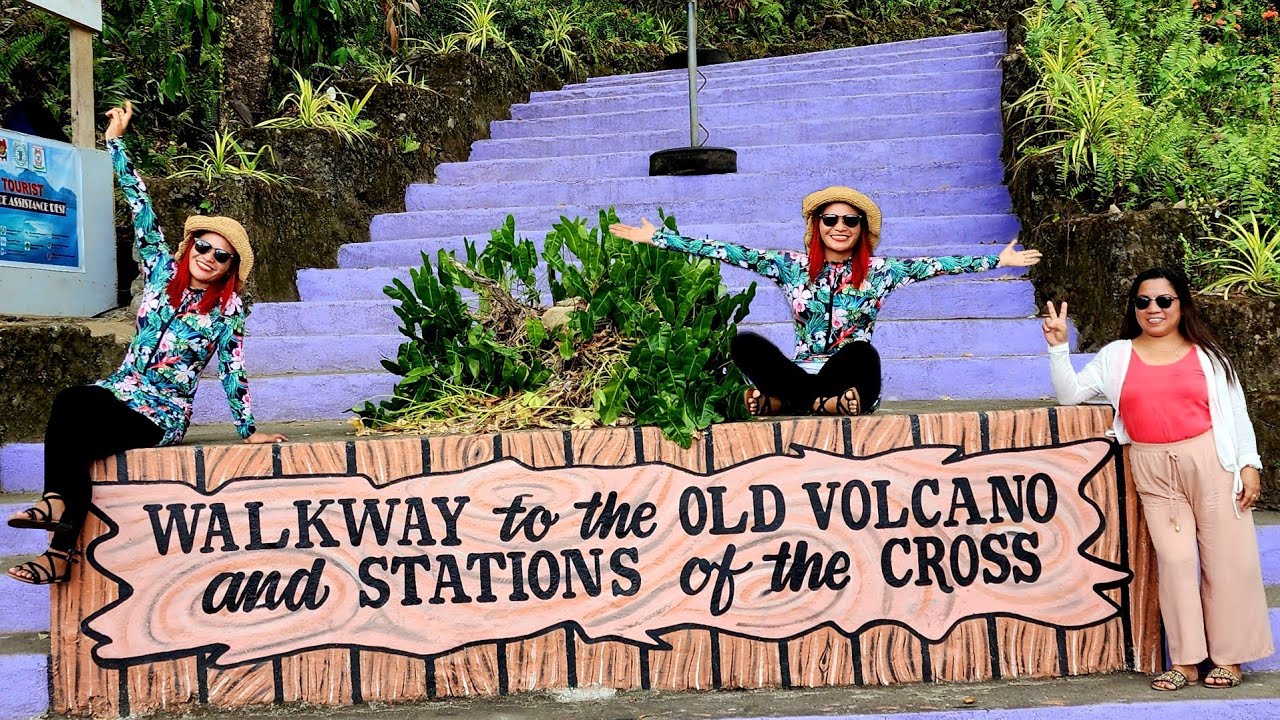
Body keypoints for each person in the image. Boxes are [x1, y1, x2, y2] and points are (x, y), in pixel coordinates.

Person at [6, 102, 287, 585]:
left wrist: (248, 431)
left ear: (230, 269)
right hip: (120, 391)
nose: (209, 257)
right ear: (190, 245)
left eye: (222, 256)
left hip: (160, 414)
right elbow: (140, 205)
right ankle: (58, 546)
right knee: (74, 414)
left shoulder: (227, 310)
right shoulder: (159, 270)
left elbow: (233, 368)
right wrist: (115, 142)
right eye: (204, 246)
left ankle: (56, 520)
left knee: (74, 410)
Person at [609, 186, 1042, 416]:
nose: (840, 226)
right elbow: (729, 251)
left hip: (846, 376)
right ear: (817, 226)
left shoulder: (881, 272)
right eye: (830, 218)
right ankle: (817, 404)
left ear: (861, 230)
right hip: (802, 372)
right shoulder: (790, 266)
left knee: (863, 353)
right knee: (744, 343)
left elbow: (938, 265)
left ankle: (786, 403)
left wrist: (997, 259)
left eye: (850, 220)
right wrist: (660, 238)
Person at [1042, 268, 1270, 691]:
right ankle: (1185, 661)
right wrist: (1058, 347)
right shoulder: (1117, 355)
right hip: (1151, 468)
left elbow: (1236, 411)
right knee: (1176, 561)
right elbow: (1070, 394)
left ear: (1181, 304)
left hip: (1211, 461)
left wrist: (1248, 464)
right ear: (1134, 308)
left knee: (1227, 560)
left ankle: (1229, 658)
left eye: (1164, 300)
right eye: (1143, 301)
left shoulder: (1209, 356)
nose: (1154, 309)